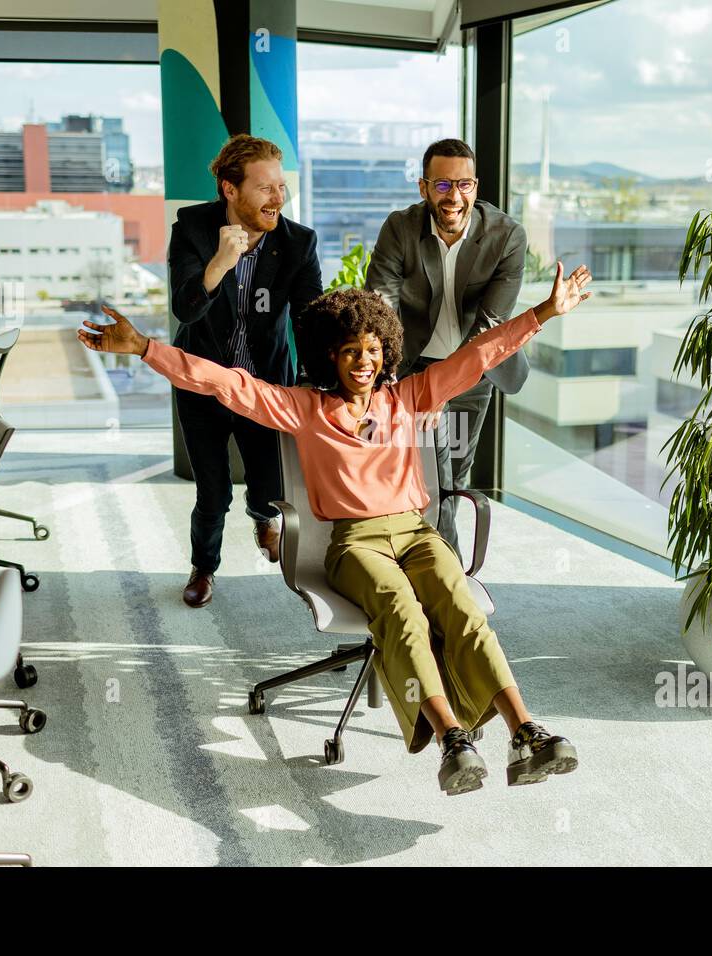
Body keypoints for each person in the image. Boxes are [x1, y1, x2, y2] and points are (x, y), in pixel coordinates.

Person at [79, 261, 591, 796]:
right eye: (350, 351)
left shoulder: (411, 397)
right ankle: (452, 740)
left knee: (459, 604)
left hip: (417, 534)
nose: (362, 361)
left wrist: (544, 312)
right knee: (402, 611)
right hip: (355, 544)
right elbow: (223, 382)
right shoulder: (305, 409)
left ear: (385, 352)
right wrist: (144, 348)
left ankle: (524, 731)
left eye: (372, 349)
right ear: (331, 355)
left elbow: (481, 354)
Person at [167, 133, 323, 609]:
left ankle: (262, 518)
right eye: (265, 187)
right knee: (212, 493)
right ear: (229, 189)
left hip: (265, 385)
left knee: (269, 484)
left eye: (281, 186)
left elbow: (310, 319)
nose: (279, 198)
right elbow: (186, 309)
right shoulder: (192, 228)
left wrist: (322, 382)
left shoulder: (297, 243)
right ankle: (204, 568)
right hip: (203, 383)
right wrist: (220, 263)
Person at [366, 138, 528, 558]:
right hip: (413, 369)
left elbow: (490, 325)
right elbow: (381, 307)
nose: (454, 197)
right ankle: (441, 571)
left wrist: (447, 385)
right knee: (410, 469)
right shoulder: (400, 228)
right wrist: (410, 385)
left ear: (476, 186)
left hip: (474, 372)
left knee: (452, 474)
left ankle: (433, 567)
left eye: (465, 184)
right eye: (442, 186)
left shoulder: (506, 235)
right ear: (424, 188)